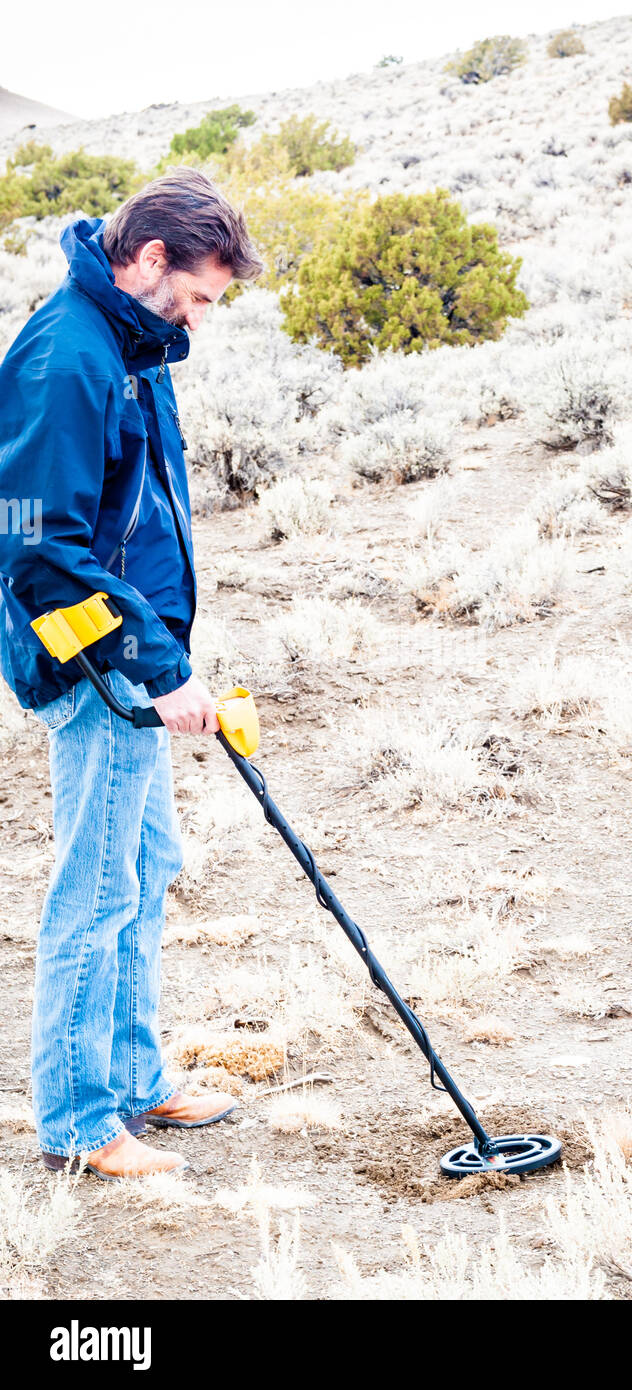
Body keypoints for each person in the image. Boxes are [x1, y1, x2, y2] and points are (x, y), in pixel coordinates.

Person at [0, 168, 264, 1181]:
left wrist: (172, 653)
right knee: (97, 892)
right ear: (148, 258)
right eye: (197, 293)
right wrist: (152, 663)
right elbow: (31, 542)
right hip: (97, 665)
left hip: (138, 658)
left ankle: (136, 1076)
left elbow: (137, 515)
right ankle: (76, 1117)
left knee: (144, 873)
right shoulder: (67, 355)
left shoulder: (133, 344)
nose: (202, 315)